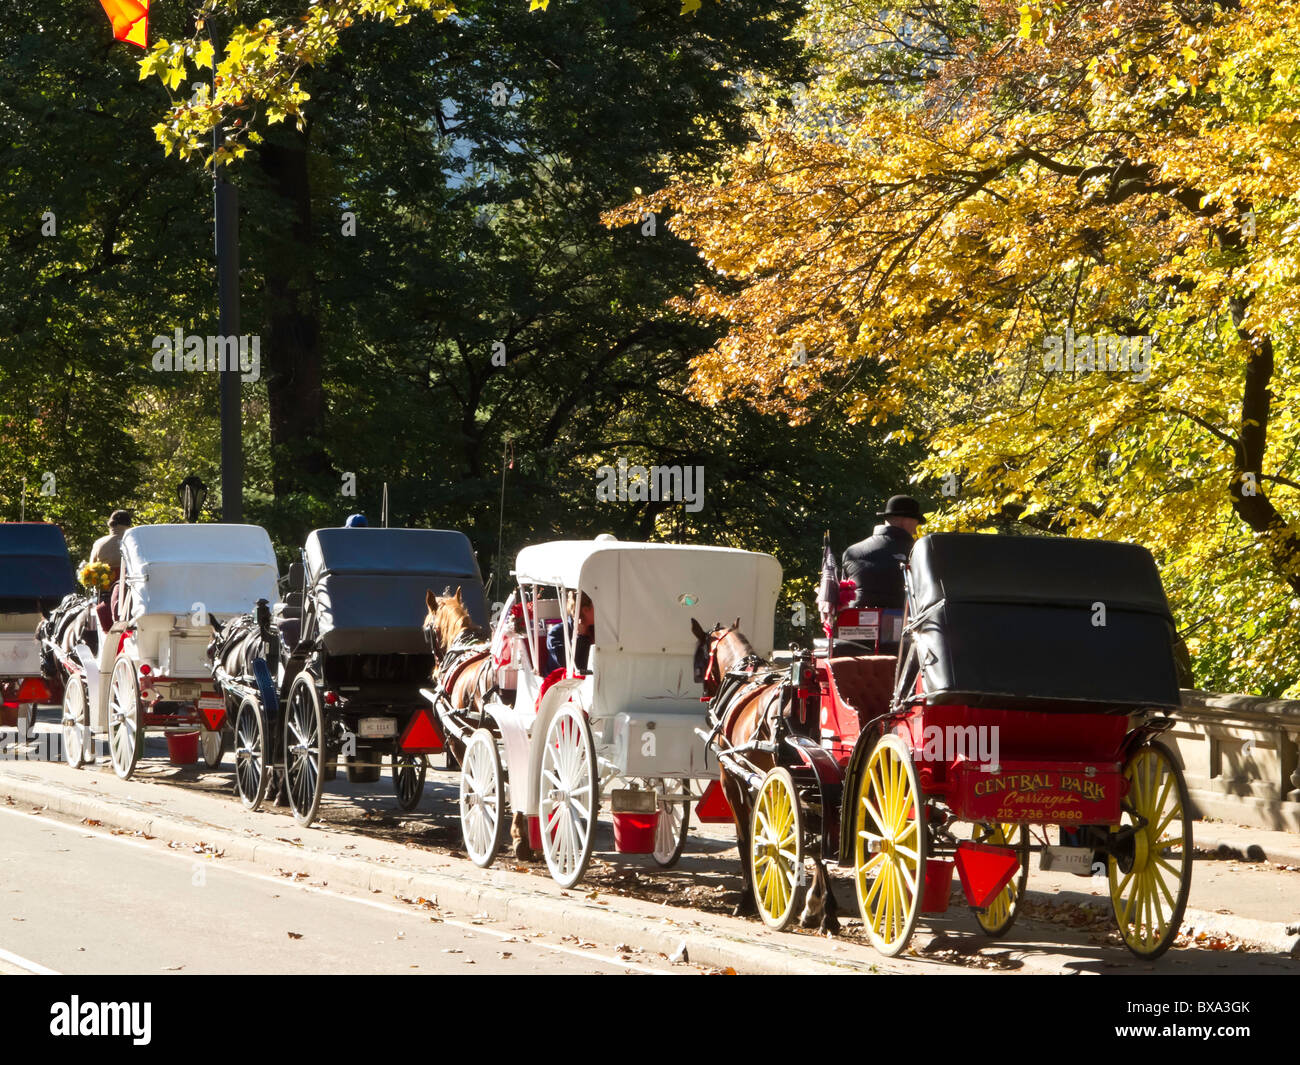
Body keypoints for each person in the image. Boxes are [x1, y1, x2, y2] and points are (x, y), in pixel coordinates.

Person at [841, 495, 926, 610]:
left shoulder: (852, 552)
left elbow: (843, 596)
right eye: (915, 524)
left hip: (855, 623)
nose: (915, 530)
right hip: (903, 624)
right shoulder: (918, 553)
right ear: (905, 521)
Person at [545, 591, 594, 674]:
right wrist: (580, 637)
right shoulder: (556, 633)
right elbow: (569, 665)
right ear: (585, 610)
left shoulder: (598, 629)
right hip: (563, 683)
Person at [88, 509, 132, 582]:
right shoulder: (134, 542)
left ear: (110, 524)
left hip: (105, 588)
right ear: (129, 524)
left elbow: (91, 567)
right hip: (131, 585)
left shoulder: (98, 543)